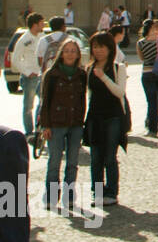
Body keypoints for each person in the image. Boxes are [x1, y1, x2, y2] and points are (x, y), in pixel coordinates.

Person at [38, 37, 88, 213]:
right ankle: (51, 196)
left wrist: (82, 121)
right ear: (61, 53)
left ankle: (69, 196)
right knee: (54, 161)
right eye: (67, 51)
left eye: (73, 51)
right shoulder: (52, 74)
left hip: (75, 123)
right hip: (56, 123)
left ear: (78, 54)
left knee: (72, 162)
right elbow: (45, 101)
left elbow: (83, 99)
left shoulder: (81, 74)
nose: (70, 54)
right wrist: (45, 126)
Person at [84, 31, 127, 208]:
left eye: (102, 47)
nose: (98, 50)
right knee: (95, 158)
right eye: (95, 47)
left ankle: (111, 192)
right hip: (95, 116)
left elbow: (120, 92)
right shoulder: (89, 69)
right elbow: (88, 94)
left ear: (109, 48)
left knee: (110, 157)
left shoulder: (118, 68)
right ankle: (97, 192)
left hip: (113, 116)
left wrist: (104, 77)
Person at [12, 13, 45, 145]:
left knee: (42, 103)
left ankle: (38, 130)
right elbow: (15, 59)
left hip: (40, 75)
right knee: (28, 106)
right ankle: (29, 133)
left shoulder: (42, 37)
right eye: (41, 23)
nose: (43, 26)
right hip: (29, 77)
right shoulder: (24, 39)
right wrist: (27, 72)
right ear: (35, 25)